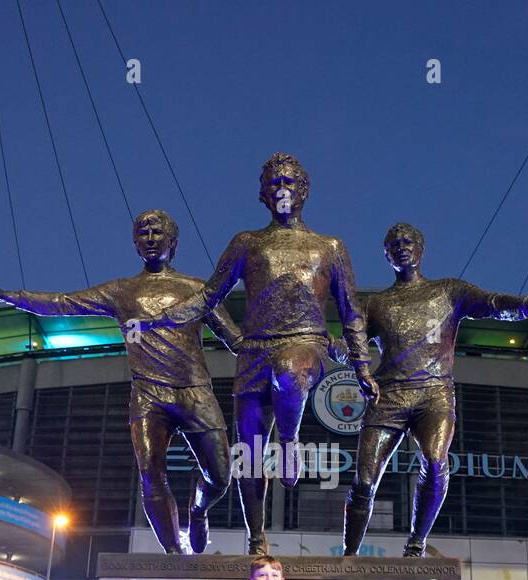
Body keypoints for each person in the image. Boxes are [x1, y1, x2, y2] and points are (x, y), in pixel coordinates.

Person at [141, 153, 376, 554]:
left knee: (289, 370)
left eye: (289, 182)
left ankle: (289, 440)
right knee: (249, 452)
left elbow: (351, 312)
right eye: (273, 184)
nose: (281, 189)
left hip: (306, 344)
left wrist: (362, 367)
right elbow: (208, 297)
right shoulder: (246, 243)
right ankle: (257, 537)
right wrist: (164, 318)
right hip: (253, 351)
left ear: (304, 190)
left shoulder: (329, 247)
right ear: (263, 196)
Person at [0, 209, 240, 553]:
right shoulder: (121, 291)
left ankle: (199, 509)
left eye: (157, 233)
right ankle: (175, 554)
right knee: (151, 475)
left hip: (195, 394)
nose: (150, 238)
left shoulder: (198, 290)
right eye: (143, 234)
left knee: (219, 477)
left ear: (173, 242)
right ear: (135, 244)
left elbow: (236, 340)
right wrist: (9, 296)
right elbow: (63, 304)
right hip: (148, 395)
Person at [345, 223, 528, 556]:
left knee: (434, 458)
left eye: (408, 241)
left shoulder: (448, 291)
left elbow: (491, 303)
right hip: (389, 397)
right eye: (394, 244)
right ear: (386, 255)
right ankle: (350, 555)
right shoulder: (376, 304)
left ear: (421, 249)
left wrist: (526, 305)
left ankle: (416, 542)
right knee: (365, 480)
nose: (402, 247)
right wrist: (324, 348)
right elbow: (351, 344)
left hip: (434, 395)